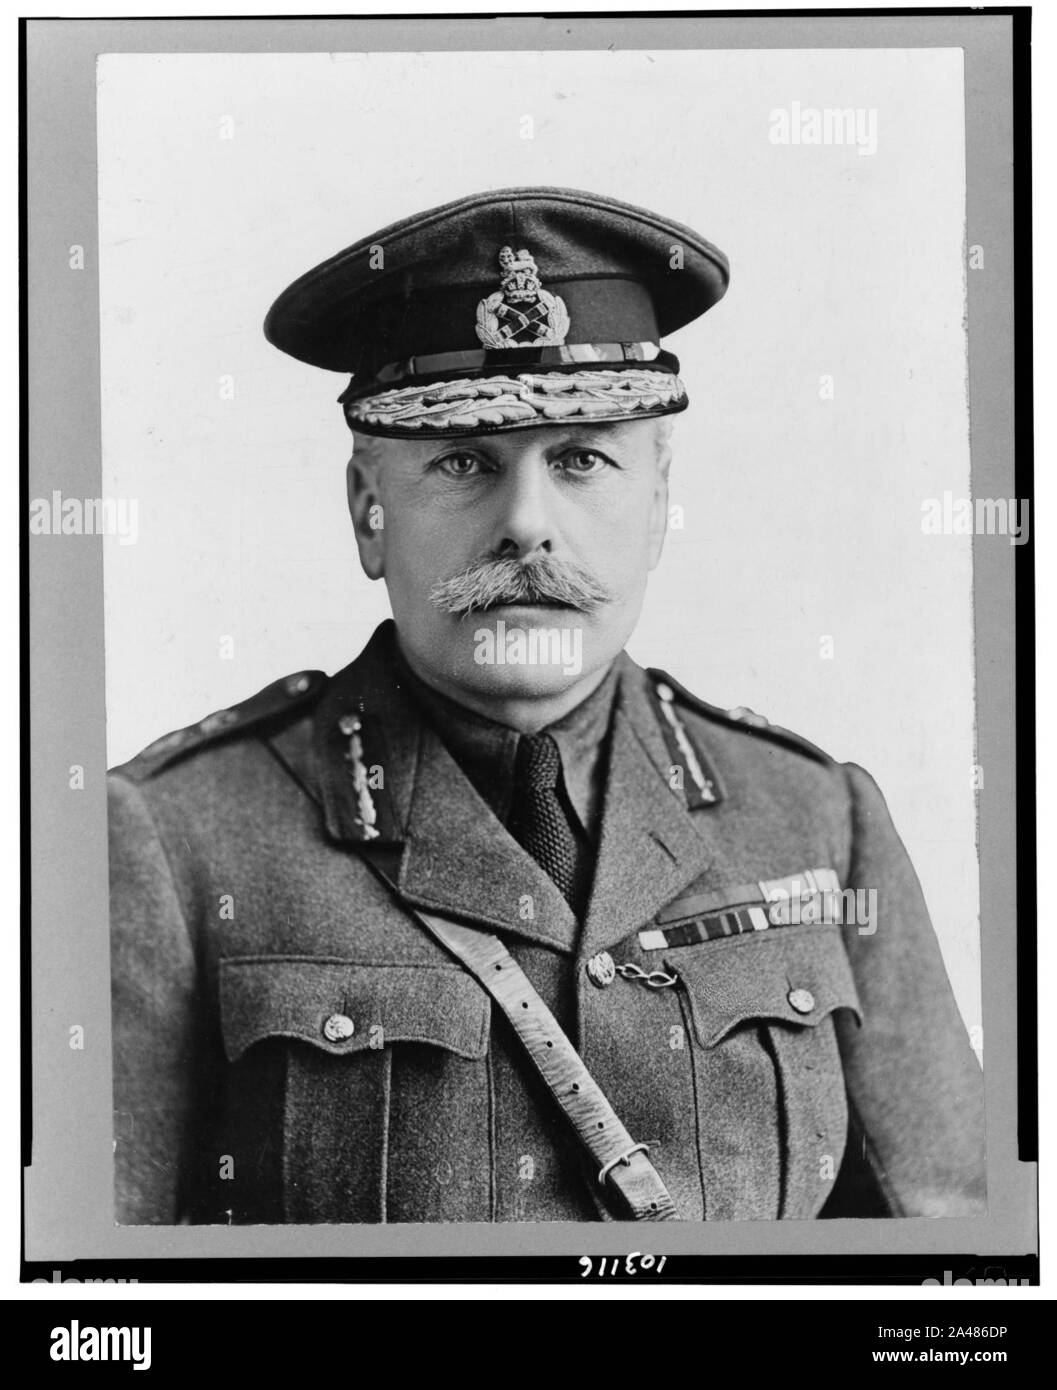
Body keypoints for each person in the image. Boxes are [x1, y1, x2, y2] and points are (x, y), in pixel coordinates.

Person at [109, 186, 985, 1224]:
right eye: (463, 462)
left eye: (581, 460)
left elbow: (959, 1274)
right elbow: (94, 1290)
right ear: (367, 511)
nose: (526, 525)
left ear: (657, 501)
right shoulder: (174, 841)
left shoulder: (815, 821)